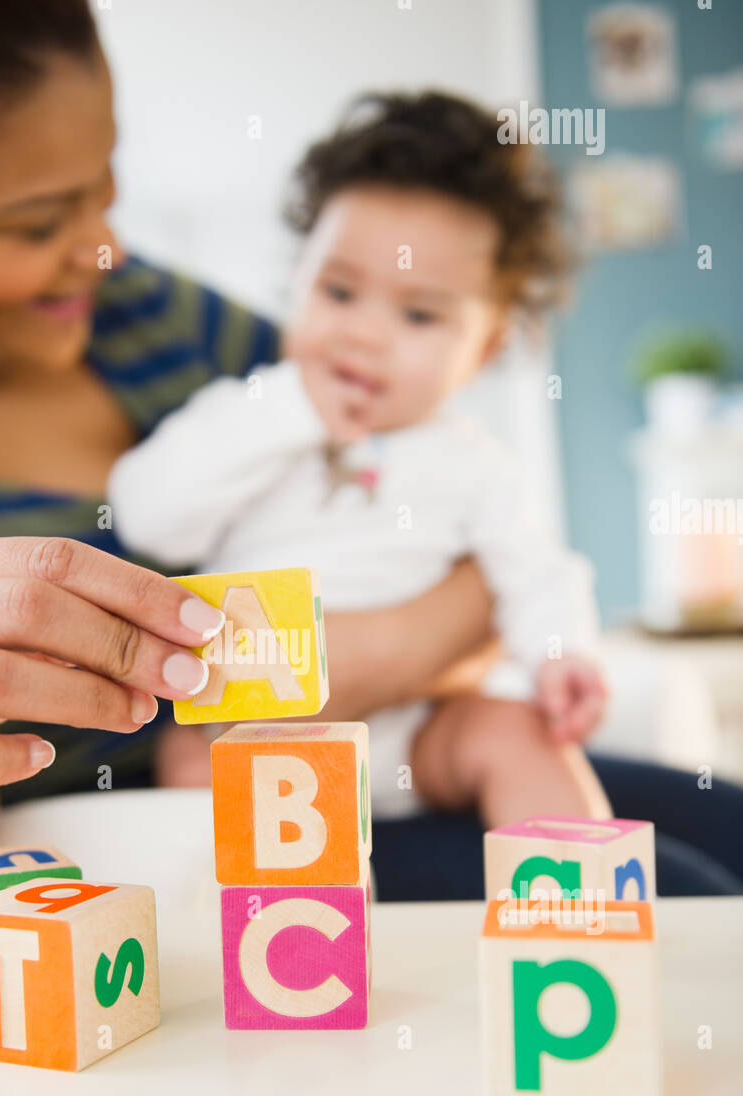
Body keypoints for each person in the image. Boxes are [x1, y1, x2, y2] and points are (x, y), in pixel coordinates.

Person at [0, 2, 740, 895]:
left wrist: (505, 651)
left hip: (410, 735)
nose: (104, 250)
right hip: (191, 821)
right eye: (36, 221)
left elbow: (480, 558)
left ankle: (580, 906)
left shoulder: (154, 316)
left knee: (714, 836)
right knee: (685, 899)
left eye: (105, 188)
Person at [109, 92, 612, 829]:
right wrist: (287, 409)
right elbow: (148, 518)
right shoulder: (251, 413)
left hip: (416, 730)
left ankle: (572, 893)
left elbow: (537, 573)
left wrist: (562, 656)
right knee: (186, 761)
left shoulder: (476, 465)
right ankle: (271, 901)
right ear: (298, 282)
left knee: (522, 737)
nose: (365, 336)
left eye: (418, 314)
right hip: (254, 736)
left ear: (488, 347)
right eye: (339, 292)